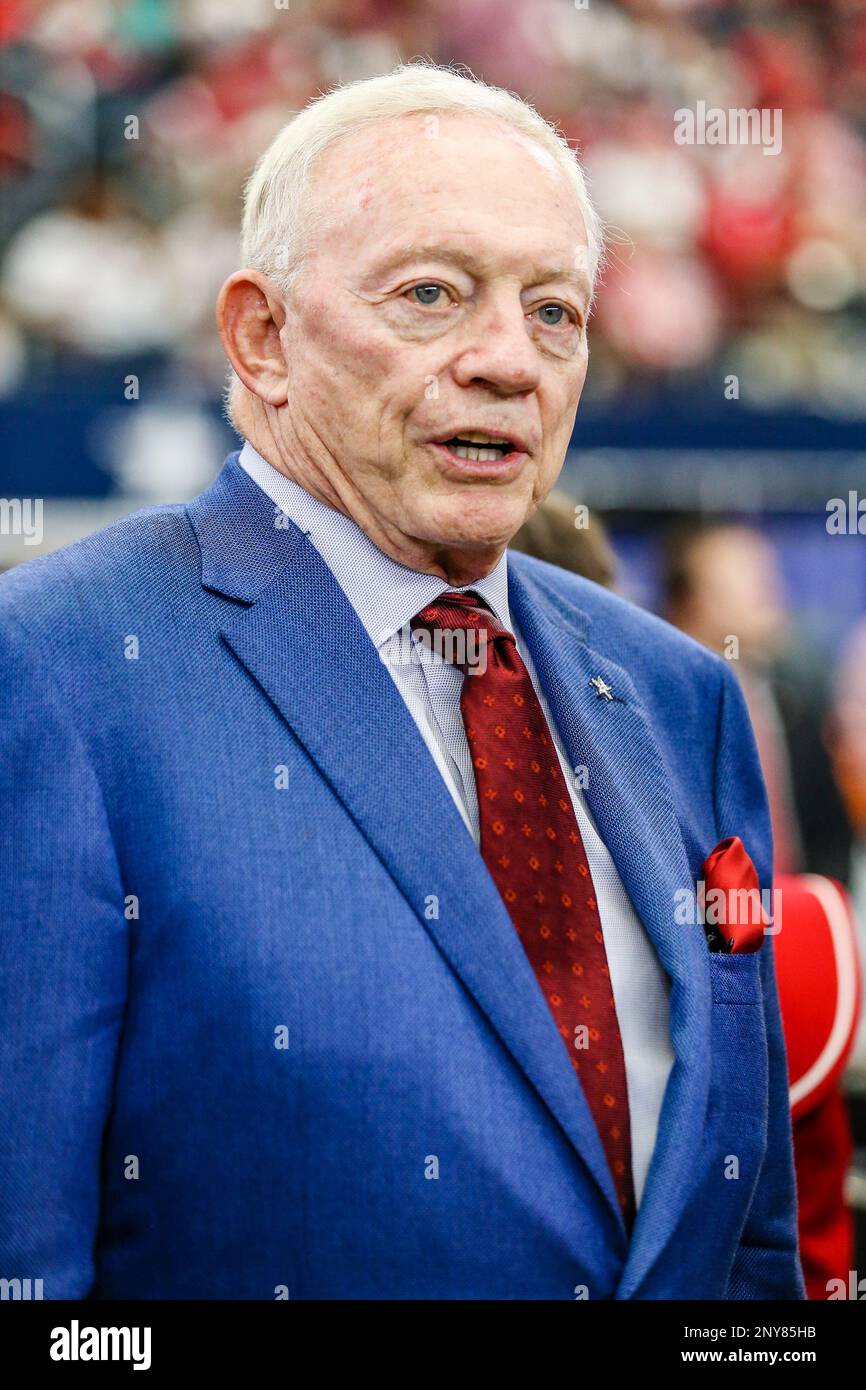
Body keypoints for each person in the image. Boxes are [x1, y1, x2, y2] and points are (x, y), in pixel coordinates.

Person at [0, 63, 803, 1300]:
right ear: (262, 337)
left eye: (553, 311)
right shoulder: (57, 667)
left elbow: (746, 1248)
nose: (507, 361)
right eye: (432, 295)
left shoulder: (676, 694)